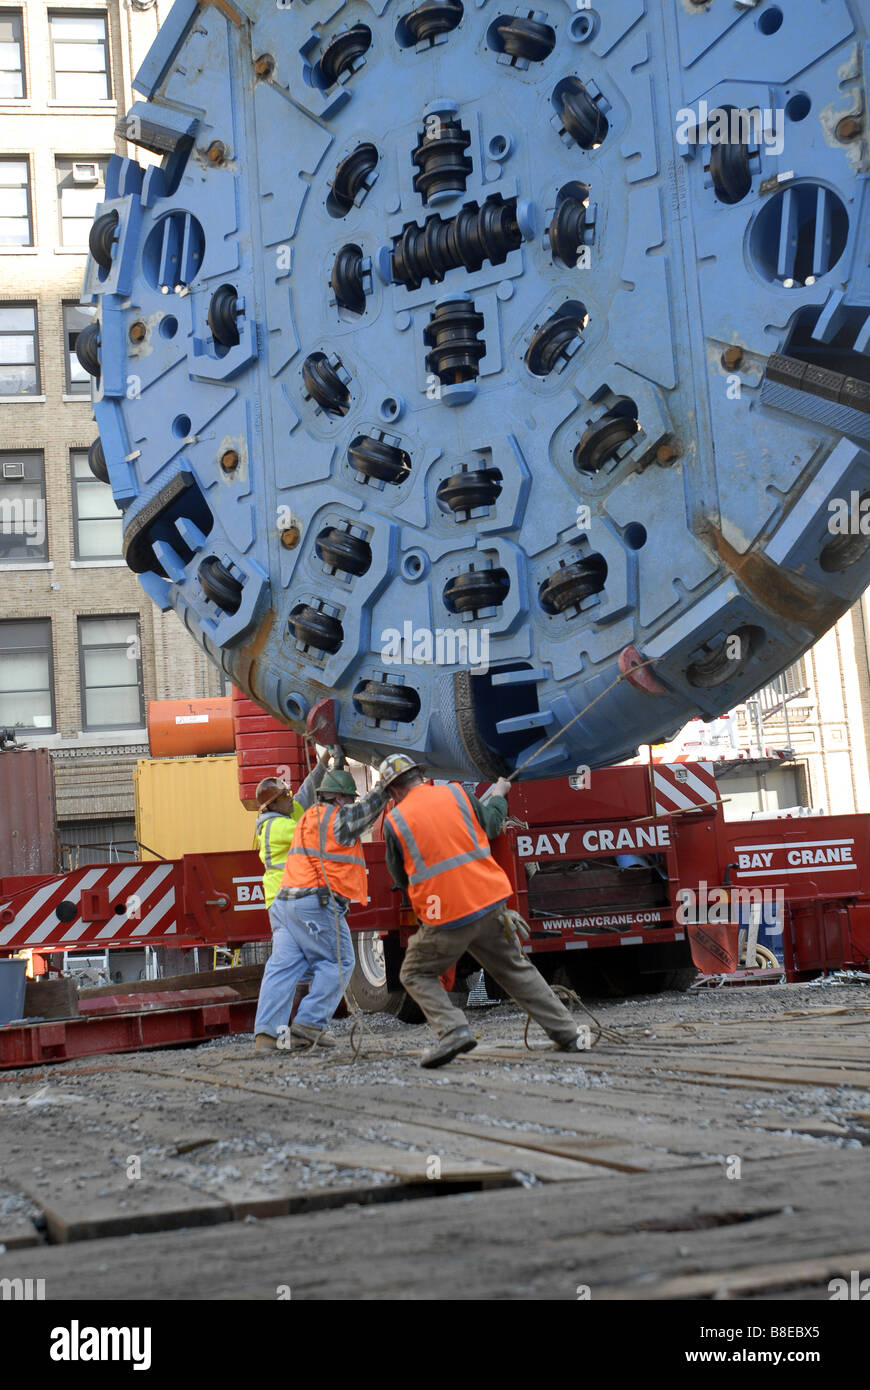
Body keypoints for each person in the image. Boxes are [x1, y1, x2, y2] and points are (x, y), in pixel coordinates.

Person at [379, 754, 588, 1068]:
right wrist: (500, 795)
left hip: (446, 914)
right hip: (490, 903)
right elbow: (491, 825)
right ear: (420, 775)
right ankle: (570, 1034)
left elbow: (400, 878)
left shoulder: (395, 821)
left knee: (415, 973)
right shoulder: (456, 794)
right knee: (517, 971)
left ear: (392, 791)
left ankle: (453, 1031)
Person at [253, 755, 387, 1054]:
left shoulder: (304, 818)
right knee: (338, 962)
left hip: (285, 903)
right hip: (312, 901)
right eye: (348, 799)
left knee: (283, 967)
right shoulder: (330, 818)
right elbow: (363, 813)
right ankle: (308, 1026)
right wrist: (387, 784)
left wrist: (325, 761)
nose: (290, 799)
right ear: (340, 798)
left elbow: (301, 796)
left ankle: (267, 1035)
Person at [253, 751, 331, 911]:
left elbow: (308, 788)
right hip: (284, 899)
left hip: (289, 897)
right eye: (283, 797)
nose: (289, 798)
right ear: (272, 806)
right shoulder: (275, 825)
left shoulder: (288, 810)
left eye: (288, 793)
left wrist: (326, 757)